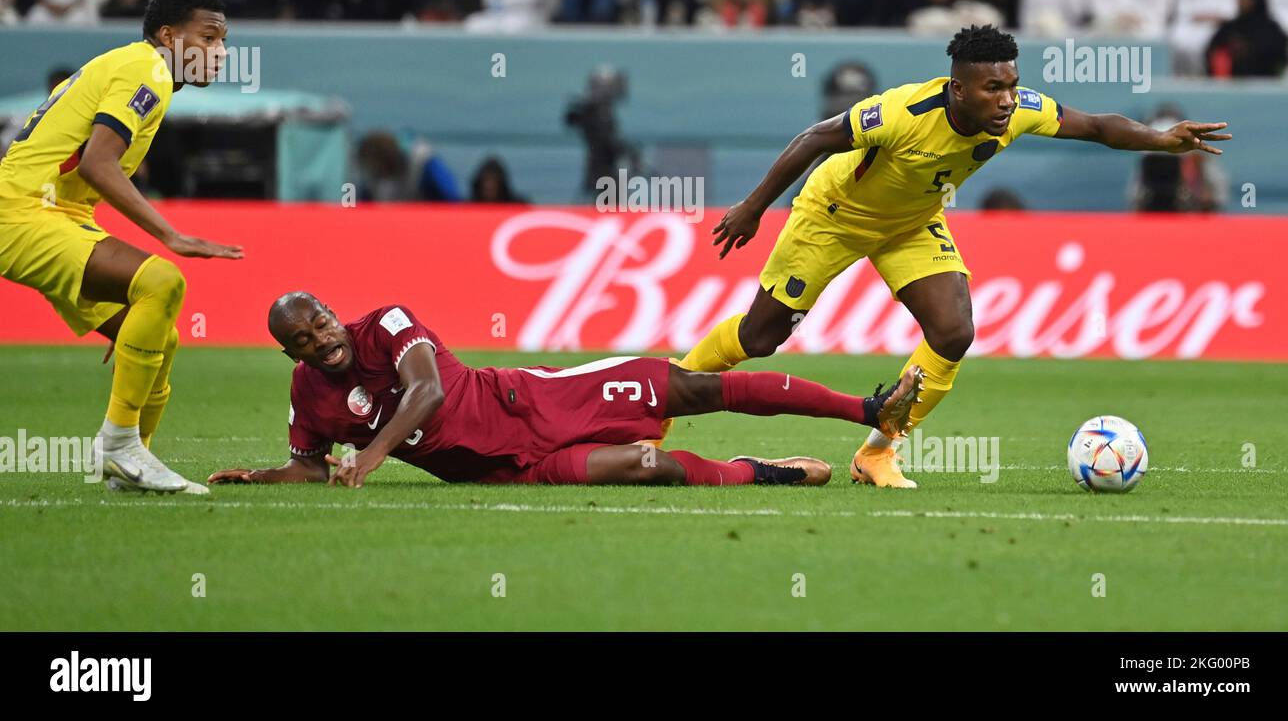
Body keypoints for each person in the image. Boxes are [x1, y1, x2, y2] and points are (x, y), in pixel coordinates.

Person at [679, 25, 1231, 488]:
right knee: (760, 339)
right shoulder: (901, 111)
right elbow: (814, 138)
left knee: (952, 331)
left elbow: (1095, 126)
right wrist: (753, 207)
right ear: (958, 88)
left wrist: (1162, 140)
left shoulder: (1019, 112)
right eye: (993, 88)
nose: (1007, 99)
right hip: (833, 217)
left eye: (1012, 85)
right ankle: (662, 392)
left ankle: (876, 453)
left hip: (912, 224)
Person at [208, 294, 923, 488]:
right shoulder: (311, 395)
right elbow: (307, 462)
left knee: (695, 388)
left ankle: (867, 408)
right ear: (289, 351)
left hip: (536, 400)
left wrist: (371, 457)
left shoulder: (385, 323)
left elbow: (424, 393)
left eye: (322, 322)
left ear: (333, 313)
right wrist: (264, 476)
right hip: (502, 467)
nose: (322, 339)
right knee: (652, 467)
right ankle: (767, 473)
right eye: (303, 339)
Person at [0, 0, 244, 494]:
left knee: (161, 333)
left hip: (55, 213)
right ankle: (118, 445)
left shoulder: (133, 65)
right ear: (168, 36)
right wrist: (170, 234)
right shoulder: (149, 70)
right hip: (24, 211)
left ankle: (133, 467)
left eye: (223, 42)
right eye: (208, 38)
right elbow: (97, 163)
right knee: (161, 281)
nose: (220, 53)